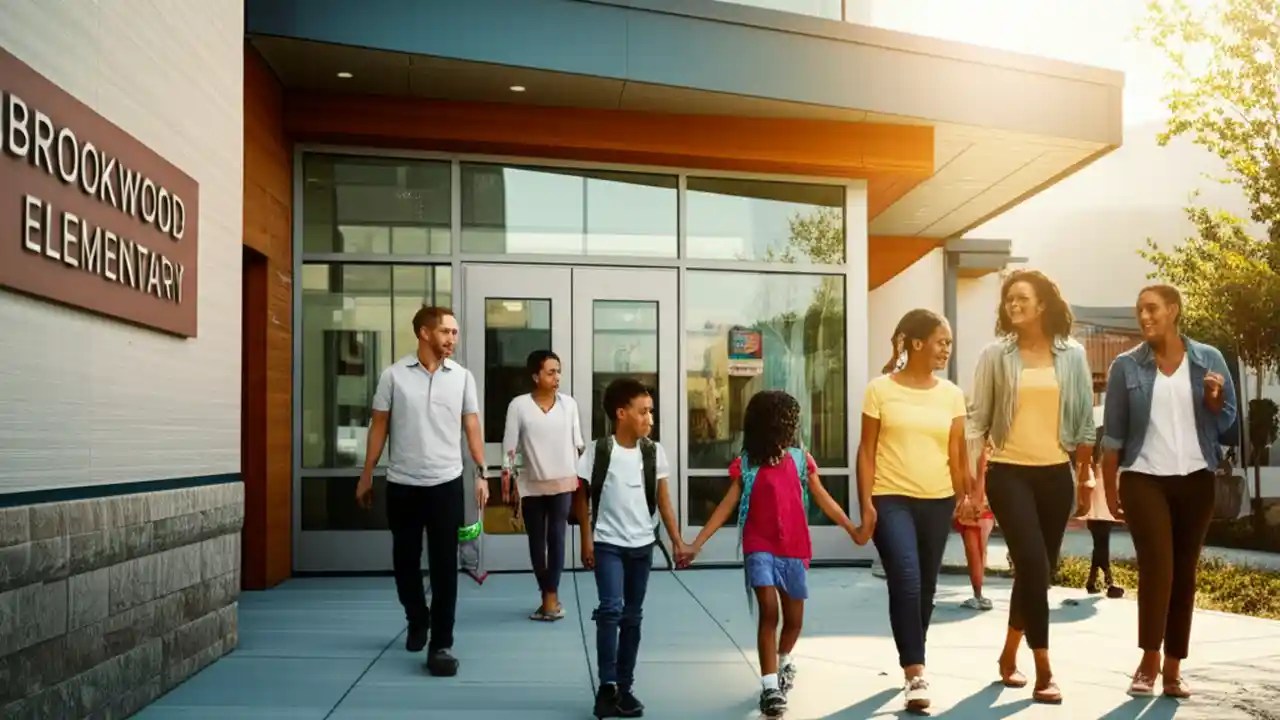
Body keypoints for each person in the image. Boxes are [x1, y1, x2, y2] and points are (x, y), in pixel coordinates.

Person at [681, 390, 861, 718]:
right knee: (769, 612)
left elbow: (823, 499)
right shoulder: (747, 465)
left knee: (794, 622)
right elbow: (725, 507)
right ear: (774, 425)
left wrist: (853, 529)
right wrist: (697, 543)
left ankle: (784, 661)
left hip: (793, 548)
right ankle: (769, 688)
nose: (794, 427)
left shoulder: (799, 460)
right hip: (759, 546)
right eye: (790, 421)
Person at [1101, 285, 1236, 699]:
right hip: (1144, 477)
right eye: (1140, 309)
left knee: (1184, 572)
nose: (1144, 316)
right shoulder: (1126, 366)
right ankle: (1148, 661)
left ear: (1173, 311)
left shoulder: (1208, 358)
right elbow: (1113, 435)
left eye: (1153, 308)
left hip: (1196, 478)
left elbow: (1228, 422)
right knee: (1158, 567)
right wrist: (1109, 489)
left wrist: (1214, 400)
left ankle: (1174, 668)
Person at [967, 269, 1096, 704]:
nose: (1013, 305)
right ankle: (1044, 668)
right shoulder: (995, 355)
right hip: (1009, 472)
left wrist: (1086, 474)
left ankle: (1007, 655)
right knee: (1034, 566)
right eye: (1008, 299)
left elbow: (1082, 420)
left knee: (1037, 570)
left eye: (1021, 298)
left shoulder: (1073, 355)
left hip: (1055, 475)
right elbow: (977, 420)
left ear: (1043, 304)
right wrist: (972, 485)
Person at [355, 305, 489, 677]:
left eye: (456, 333)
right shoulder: (394, 376)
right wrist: (367, 473)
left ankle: (441, 643)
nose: (452, 339)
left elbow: (472, 426)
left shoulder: (462, 378)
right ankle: (417, 616)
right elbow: (378, 426)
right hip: (402, 485)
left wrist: (482, 471)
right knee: (405, 562)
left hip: (446, 484)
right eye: (446, 331)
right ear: (424, 333)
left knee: (446, 566)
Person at [857, 309, 973, 712]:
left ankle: (912, 650)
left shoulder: (952, 394)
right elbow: (866, 450)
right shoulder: (880, 390)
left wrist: (967, 497)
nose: (947, 350)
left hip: (938, 501)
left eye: (950, 344)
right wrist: (866, 505)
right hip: (891, 498)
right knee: (905, 578)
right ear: (917, 343)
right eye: (942, 342)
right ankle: (915, 671)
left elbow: (957, 453)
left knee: (924, 589)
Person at [574, 378, 685, 719]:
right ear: (621, 413)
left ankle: (625, 686)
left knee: (632, 617)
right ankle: (607, 686)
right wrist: (586, 539)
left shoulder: (653, 452)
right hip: (608, 544)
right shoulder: (598, 450)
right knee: (610, 610)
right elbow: (581, 495)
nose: (649, 418)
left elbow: (664, 502)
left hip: (642, 547)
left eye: (651, 411)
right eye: (643, 412)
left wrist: (677, 541)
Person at [501, 350, 584, 622]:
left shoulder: (568, 404)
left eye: (558, 371)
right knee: (536, 540)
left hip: (563, 481)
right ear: (536, 376)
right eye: (550, 372)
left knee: (557, 538)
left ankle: (551, 595)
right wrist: (506, 479)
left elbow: (578, 443)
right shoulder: (519, 406)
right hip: (531, 484)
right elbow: (509, 447)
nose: (557, 376)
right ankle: (546, 594)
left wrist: (582, 479)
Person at [1077, 428, 1124, 598]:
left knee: (1100, 546)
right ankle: (1108, 583)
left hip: (1096, 510)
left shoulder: (1093, 461)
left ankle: (1093, 581)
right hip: (1103, 510)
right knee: (1102, 546)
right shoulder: (1106, 462)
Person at [957, 446, 996, 611]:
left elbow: (978, 473)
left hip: (974, 506)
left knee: (974, 551)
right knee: (979, 550)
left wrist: (973, 499)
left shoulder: (977, 449)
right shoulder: (988, 445)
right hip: (981, 506)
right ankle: (978, 593)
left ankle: (978, 594)